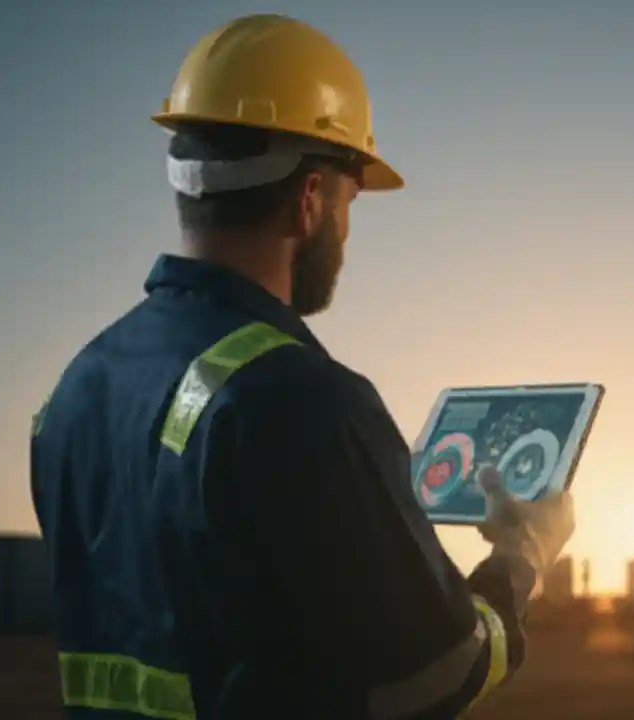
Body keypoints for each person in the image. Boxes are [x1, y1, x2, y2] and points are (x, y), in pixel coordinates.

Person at [29, 14, 575, 719]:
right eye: (350, 199)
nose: (348, 228)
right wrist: (521, 557)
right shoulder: (294, 399)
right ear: (311, 198)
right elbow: (440, 670)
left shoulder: (70, 394)